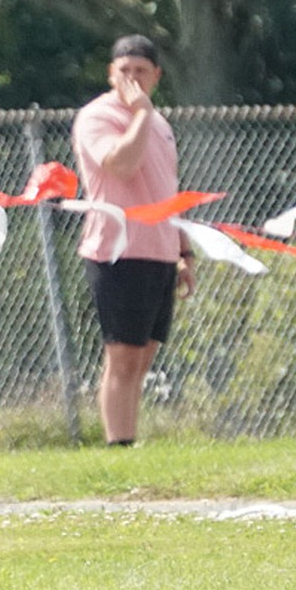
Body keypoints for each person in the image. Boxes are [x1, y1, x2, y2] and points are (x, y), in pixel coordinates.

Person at [71, 34, 196, 446]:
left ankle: (129, 437)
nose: (133, 79)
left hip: (160, 251)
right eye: (124, 71)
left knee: (143, 357)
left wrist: (184, 252)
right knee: (122, 355)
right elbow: (121, 165)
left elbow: (168, 190)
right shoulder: (98, 117)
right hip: (118, 251)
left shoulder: (158, 124)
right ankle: (118, 444)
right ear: (111, 73)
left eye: (141, 71)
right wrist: (140, 111)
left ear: (156, 75)